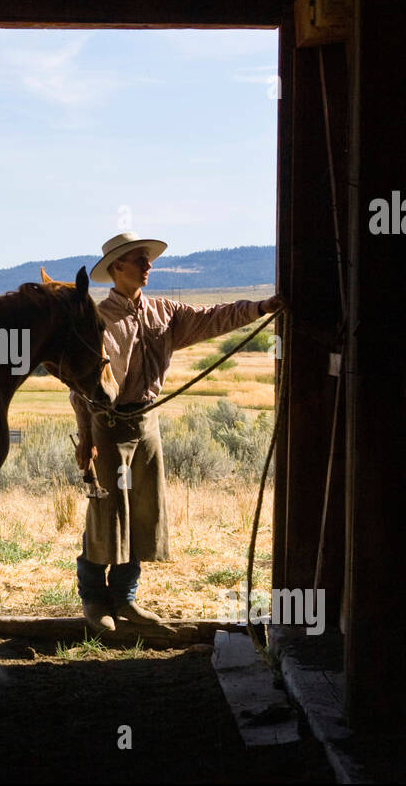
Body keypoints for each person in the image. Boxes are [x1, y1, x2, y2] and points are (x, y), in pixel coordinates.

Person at [70, 232, 286, 633]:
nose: (147, 266)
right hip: (107, 426)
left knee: (140, 512)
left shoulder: (165, 313)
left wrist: (261, 307)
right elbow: (80, 385)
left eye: (147, 260)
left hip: (147, 423)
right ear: (117, 268)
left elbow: (213, 317)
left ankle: (126, 600)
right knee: (105, 513)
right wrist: (85, 437)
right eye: (139, 260)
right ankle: (93, 600)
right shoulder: (97, 321)